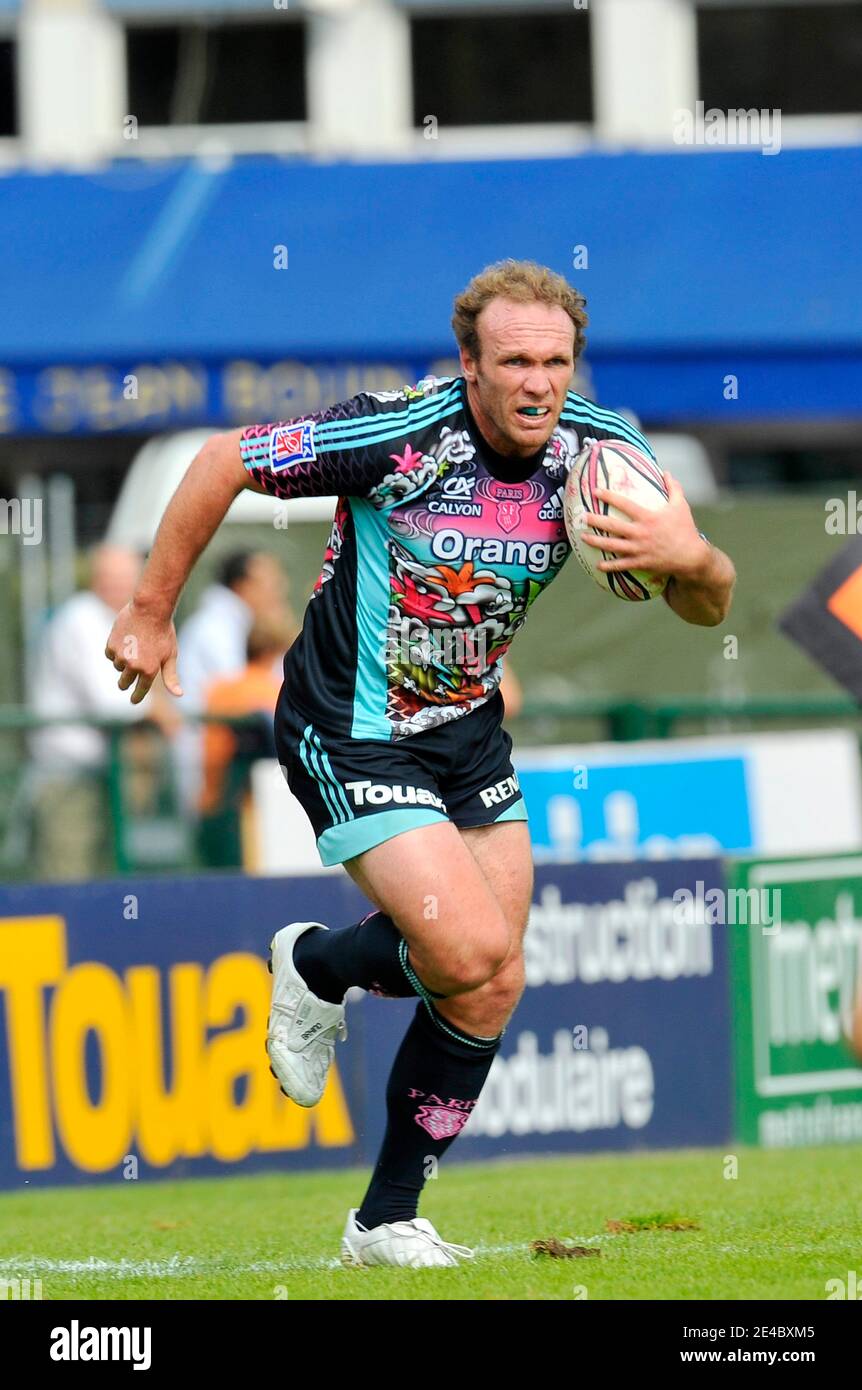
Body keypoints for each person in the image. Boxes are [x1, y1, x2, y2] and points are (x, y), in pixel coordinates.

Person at [105, 260, 735, 1268]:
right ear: (469, 365)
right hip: (348, 727)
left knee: (489, 979)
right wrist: (147, 611)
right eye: (514, 360)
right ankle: (317, 964)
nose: (538, 382)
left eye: (556, 362)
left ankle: (382, 1218)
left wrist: (694, 557)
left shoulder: (604, 450)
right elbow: (224, 458)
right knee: (466, 947)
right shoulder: (396, 434)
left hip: (466, 733)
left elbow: (708, 600)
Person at [31, 544, 157, 879]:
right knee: (69, 879)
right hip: (70, 778)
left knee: (102, 876)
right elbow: (114, 702)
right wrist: (160, 709)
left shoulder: (107, 618)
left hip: (98, 774)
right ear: (101, 580)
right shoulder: (81, 618)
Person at [174, 550, 291, 810]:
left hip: (233, 762)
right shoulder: (214, 627)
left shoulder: (234, 623)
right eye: (269, 582)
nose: (278, 588)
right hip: (216, 766)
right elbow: (246, 693)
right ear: (243, 586)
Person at [198, 615, 296, 866]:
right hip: (256, 816)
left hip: (211, 806)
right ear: (274, 652)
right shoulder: (273, 691)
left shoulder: (218, 689)